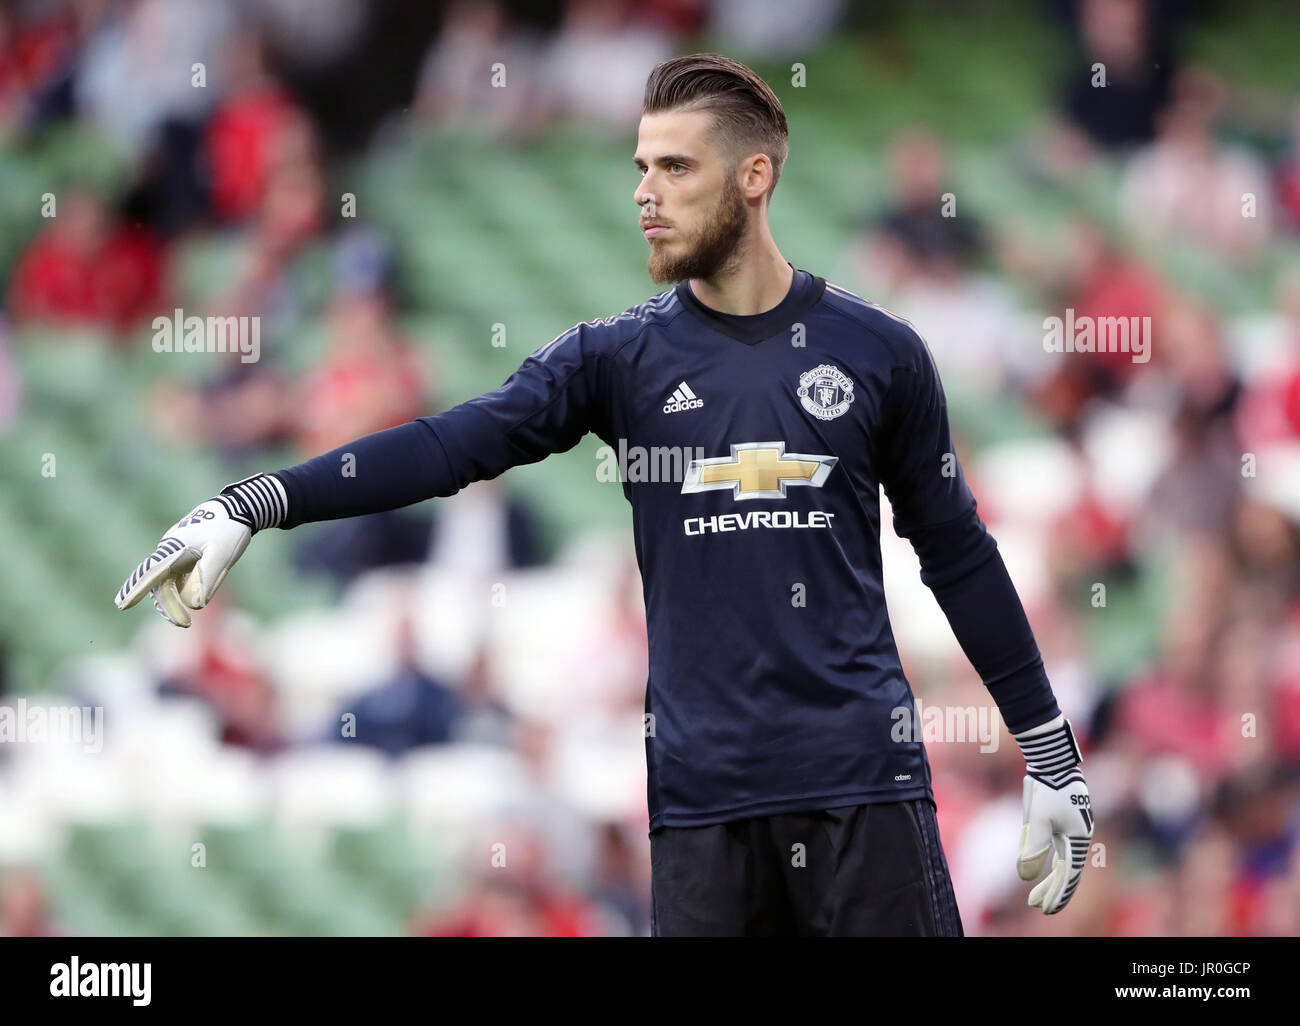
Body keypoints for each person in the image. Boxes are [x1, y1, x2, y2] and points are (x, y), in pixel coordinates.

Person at [115, 53, 1092, 937]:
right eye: (638, 168)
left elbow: (957, 553)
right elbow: (451, 444)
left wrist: (1047, 752)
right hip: (701, 813)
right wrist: (256, 501)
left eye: (674, 169)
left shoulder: (876, 352)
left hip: (864, 792)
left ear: (755, 178)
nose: (644, 194)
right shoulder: (617, 358)